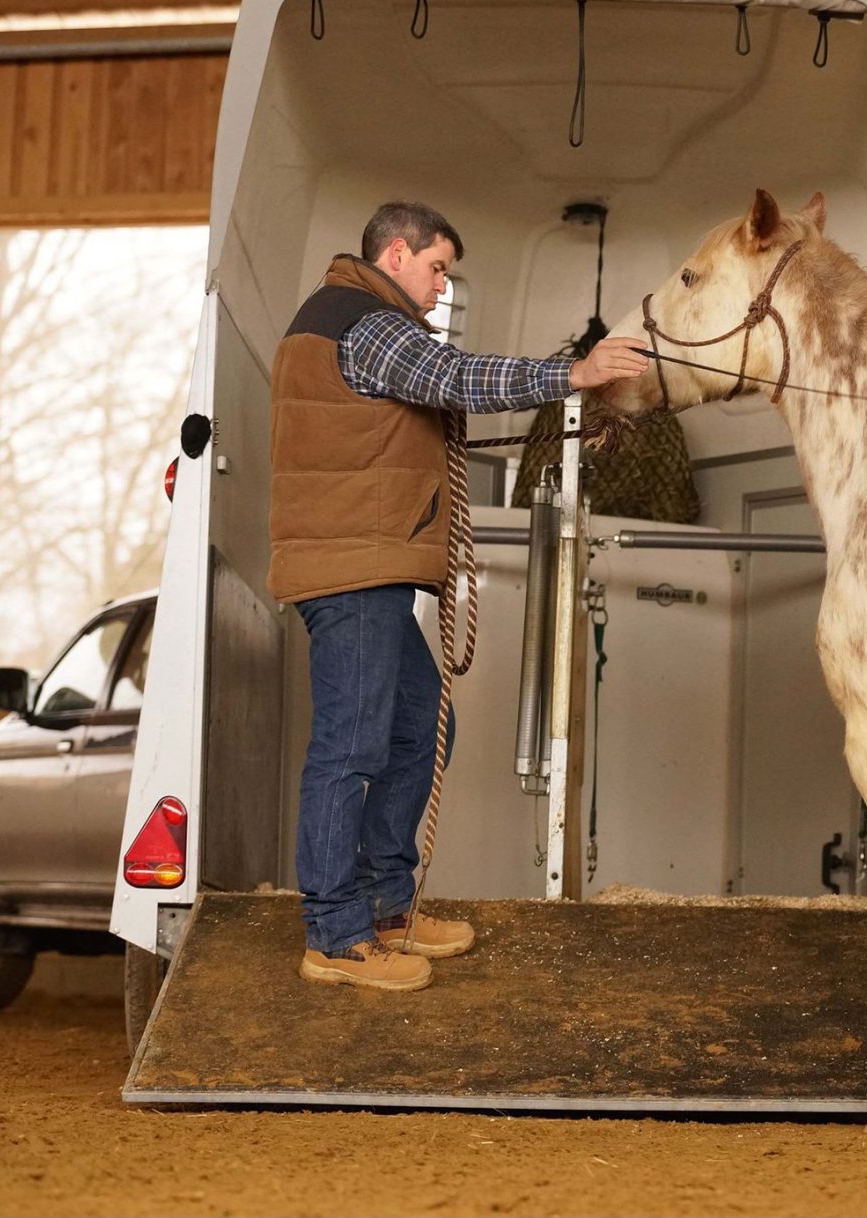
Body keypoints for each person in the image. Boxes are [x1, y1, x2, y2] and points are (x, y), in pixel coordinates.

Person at [267, 200, 649, 991]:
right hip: (351, 569)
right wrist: (573, 374)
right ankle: (335, 935)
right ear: (396, 255)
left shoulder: (354, 322)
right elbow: (453, 377)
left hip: (365, 567)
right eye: (437, 268)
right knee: (350, 750)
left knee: (420, 729)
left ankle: (384, 907)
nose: (441, 288)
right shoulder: (364, 323)